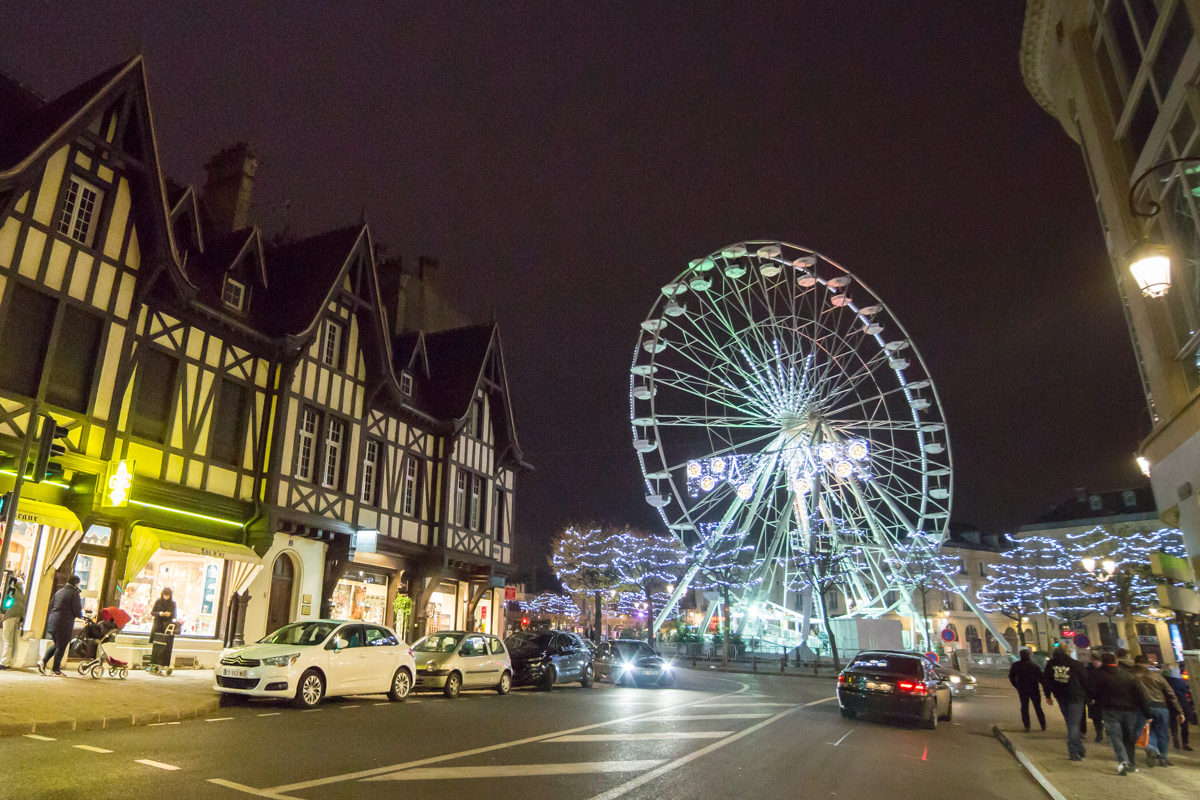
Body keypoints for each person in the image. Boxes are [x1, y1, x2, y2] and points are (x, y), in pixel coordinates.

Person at [1092, 651, 1152, 776]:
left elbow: (1095, 694)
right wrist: (1148, 713)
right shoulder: (1129, 675)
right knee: (1128, 738)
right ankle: (1132, 764)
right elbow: (1140, 695)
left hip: (1110, 711)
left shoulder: (1098, 675)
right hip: (1130, 711)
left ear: (1103, 662)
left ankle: (1123, 761)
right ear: (1116, 662)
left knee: (1115, 737)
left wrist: (1098, 712)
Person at [1131, 655, 1183, 767]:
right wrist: (1179, 710)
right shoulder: (1157, 675)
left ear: (1135, 663)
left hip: (1141, 707)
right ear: (1148, 664)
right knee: (1162, 732)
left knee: (1140, 729)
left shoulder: (1131, 675)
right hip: (1161, 707)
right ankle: (1164, 758)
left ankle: (1151, 748)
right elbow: (1170, 693)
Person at [1042, 644, 1090, 760]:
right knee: (1074, 724)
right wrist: (1089, 696)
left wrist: (1048, 695)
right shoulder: (1076, 664)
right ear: (1068, 652)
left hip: (1060, 695)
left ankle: (1079, 748)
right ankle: (1073, 751)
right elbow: (1085, 680)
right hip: (1076, 696)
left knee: (1070, 722)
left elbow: (1046, 680)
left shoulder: (1051, 664)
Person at [38, 575, 83, 676]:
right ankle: (55, 669)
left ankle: (43, 662)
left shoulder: (59, 591)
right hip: (64, 622)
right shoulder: (74, 593)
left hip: (53, 620)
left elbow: (51, 605)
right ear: (76, 583)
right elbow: (77, 609)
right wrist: (81, 616)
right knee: (62, 645)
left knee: (58, 644)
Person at [1009, 649, 1046, 732]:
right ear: (1029, 656)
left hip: (1022, 689)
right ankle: (1043, 725)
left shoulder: (1016, 665)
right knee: (1038, 707)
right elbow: (1041, 679)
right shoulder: (1035, 666)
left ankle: (1027, 726)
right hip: (1034, 689)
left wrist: (1016, 685)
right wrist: (1046, 689)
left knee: (1024, 707)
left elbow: (1011, 677)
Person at [1165, 666, 1195, 752]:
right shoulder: (1180, 681)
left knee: (1173, 721)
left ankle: (1175, 738)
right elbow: (1186, 690)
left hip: (1170, 703)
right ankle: (1185, 743)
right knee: (1184, 724)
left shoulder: (1166, 681)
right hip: (1182, 702)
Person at [1, 579, 26, 669]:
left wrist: (4, 613)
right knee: (13, 640)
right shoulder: (22, 594)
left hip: (9, 616)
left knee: (7, 639)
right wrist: (21, 619)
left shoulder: (12, 590)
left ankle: (4, 662)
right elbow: (23, 607)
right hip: (17, 617)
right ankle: (10, 661)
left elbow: (6, 604)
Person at [1085, 653, 1105, 742]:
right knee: (1096, 718)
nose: (1095, 662)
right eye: (1094, 660)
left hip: (1103, 697)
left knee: (1104, 717)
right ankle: (1099, 734)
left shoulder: (1104, 670)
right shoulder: (1087, 670)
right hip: (1092, 698)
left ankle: (1103, 733)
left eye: (1097, 660)